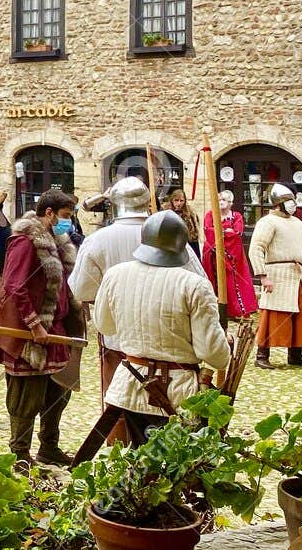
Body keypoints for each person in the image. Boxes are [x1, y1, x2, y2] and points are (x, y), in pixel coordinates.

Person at [87, 211, 230, 448]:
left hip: (132, 387)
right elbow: (213, 354)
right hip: (179, 394)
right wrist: (225, 343)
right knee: (176, 467)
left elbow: (105, 325)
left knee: (142, 456)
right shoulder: (195, 285)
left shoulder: (115, 275)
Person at [71, 177, 200, 407]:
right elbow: (200, 281)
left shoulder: (97, 240)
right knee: (167, 411)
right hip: (169, 342)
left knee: (119, 406)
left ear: (114, 203)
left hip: (119, 339)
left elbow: (81, 289)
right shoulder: (169, 235)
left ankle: (121, 440)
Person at [0, 189, 77, 466]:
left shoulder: (57, 240)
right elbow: (14, 285)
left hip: (57, 329)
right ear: (48, 213)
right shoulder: (25, 241)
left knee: (59, 392)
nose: (68, 223)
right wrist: (34, 324)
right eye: (65, 216)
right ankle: (20, 452)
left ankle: (49, 447)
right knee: (26, 394)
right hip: (30, 331)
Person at [249, 182, 302, 367]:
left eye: (293, 200)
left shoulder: (298, 223)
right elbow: (257, 248)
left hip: (297, 275)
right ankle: (262, 356)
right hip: (276, 275)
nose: (293, 203)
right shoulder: (267, 222)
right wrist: (262, 276)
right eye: (288, 200)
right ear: (277, 203)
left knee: (298, 316)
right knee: (271, 315)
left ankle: (295, 354)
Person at [201, 189, 258, 319]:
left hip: (233, 256)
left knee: (233, 282)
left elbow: (237, 233)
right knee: (215, 281)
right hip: (213, 255)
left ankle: (235, 311)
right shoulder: (210, 215)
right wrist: (225, 231)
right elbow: (208, 231)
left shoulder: (236, 216)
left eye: (224, 200)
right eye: (219, 199)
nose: (221, 202)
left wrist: (220, 232)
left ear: (230, 202)